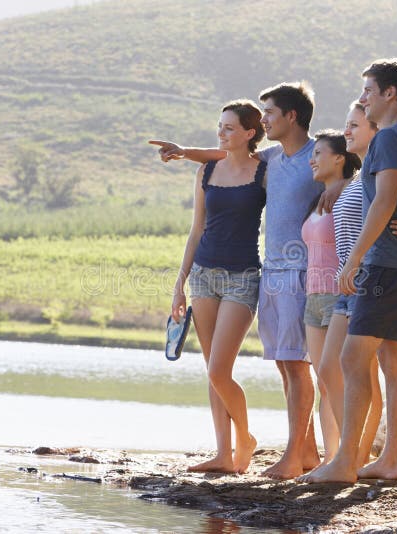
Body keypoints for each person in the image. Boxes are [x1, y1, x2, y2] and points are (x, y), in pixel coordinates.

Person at [152, 82, 341, 479]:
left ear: (290, 116)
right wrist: (184, 152)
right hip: (261, 274)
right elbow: (225, 156)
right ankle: (286, 451)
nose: (265, 118)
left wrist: (339, 182)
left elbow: (345, 166)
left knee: (289, 366)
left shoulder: (307, 156)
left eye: (269, 112)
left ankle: (279, 451)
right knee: (277, 366)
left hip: (286, 274)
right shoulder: (269, 159)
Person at [303, 58, 397, 483]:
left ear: (389, 94)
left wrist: (355, 259)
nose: (363, 99)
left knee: (351, 359)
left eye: (368, 91)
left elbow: (385, 200)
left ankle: (344, 463)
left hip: (386, 266)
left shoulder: (390, 138)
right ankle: (389, 460)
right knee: (393, 361)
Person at [169, 99, 265, 474]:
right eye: (219, 126)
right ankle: (224, 453)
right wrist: (179, 285)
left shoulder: (264, 171)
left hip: (243, 278)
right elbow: (196, 230)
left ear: (249, 132)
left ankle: (246, 438)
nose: (221, 132)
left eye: (229, 128)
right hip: (204, 276)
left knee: (219, 371)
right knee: (213, 368)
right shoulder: (207, 172)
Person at [300, 129, 362, 464]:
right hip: (313, 297)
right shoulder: (319, 199)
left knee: (334, 374)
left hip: (340, 295)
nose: (312, 159)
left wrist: (346, 182)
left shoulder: (349, 193)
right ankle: (331, 457)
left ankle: (350, 453)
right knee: (324, 380)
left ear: (339, 158)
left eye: (319, 153)